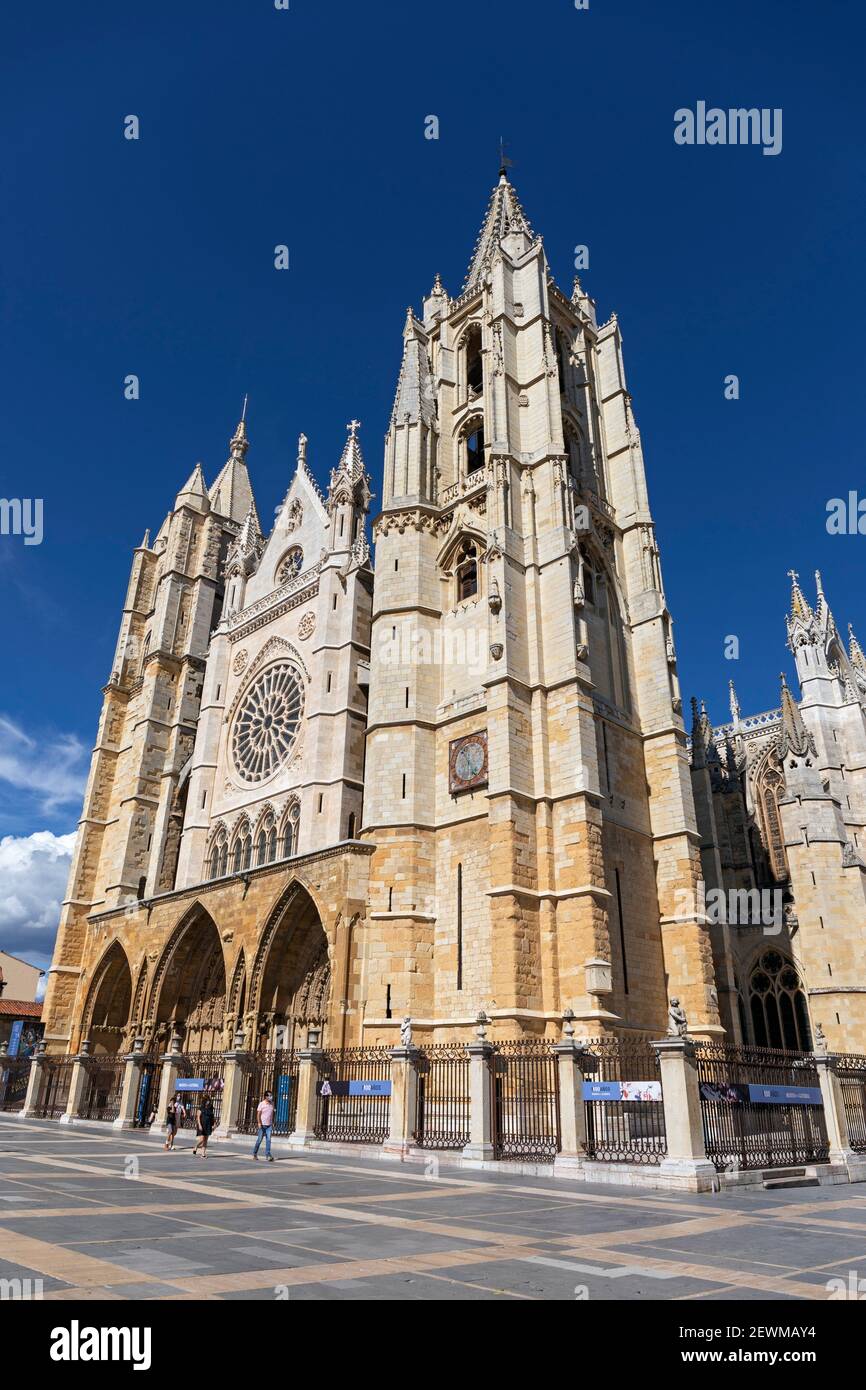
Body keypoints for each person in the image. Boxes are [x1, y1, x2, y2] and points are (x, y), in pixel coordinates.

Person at [252, 1091, 275, 1162]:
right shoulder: (261, 1104)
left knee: (269, 1140)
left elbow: (272, 1114)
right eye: (269, 1095)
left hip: (269, 1125)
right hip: (262, 1125)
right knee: (259, 1140)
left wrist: (272, 1122)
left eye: (271, 1095)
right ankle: (255, 1153)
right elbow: (258, 1114)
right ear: (266, 1096)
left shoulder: (272, 1104)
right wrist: (259, 1123)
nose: (271, 1097)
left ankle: (268, 1155)